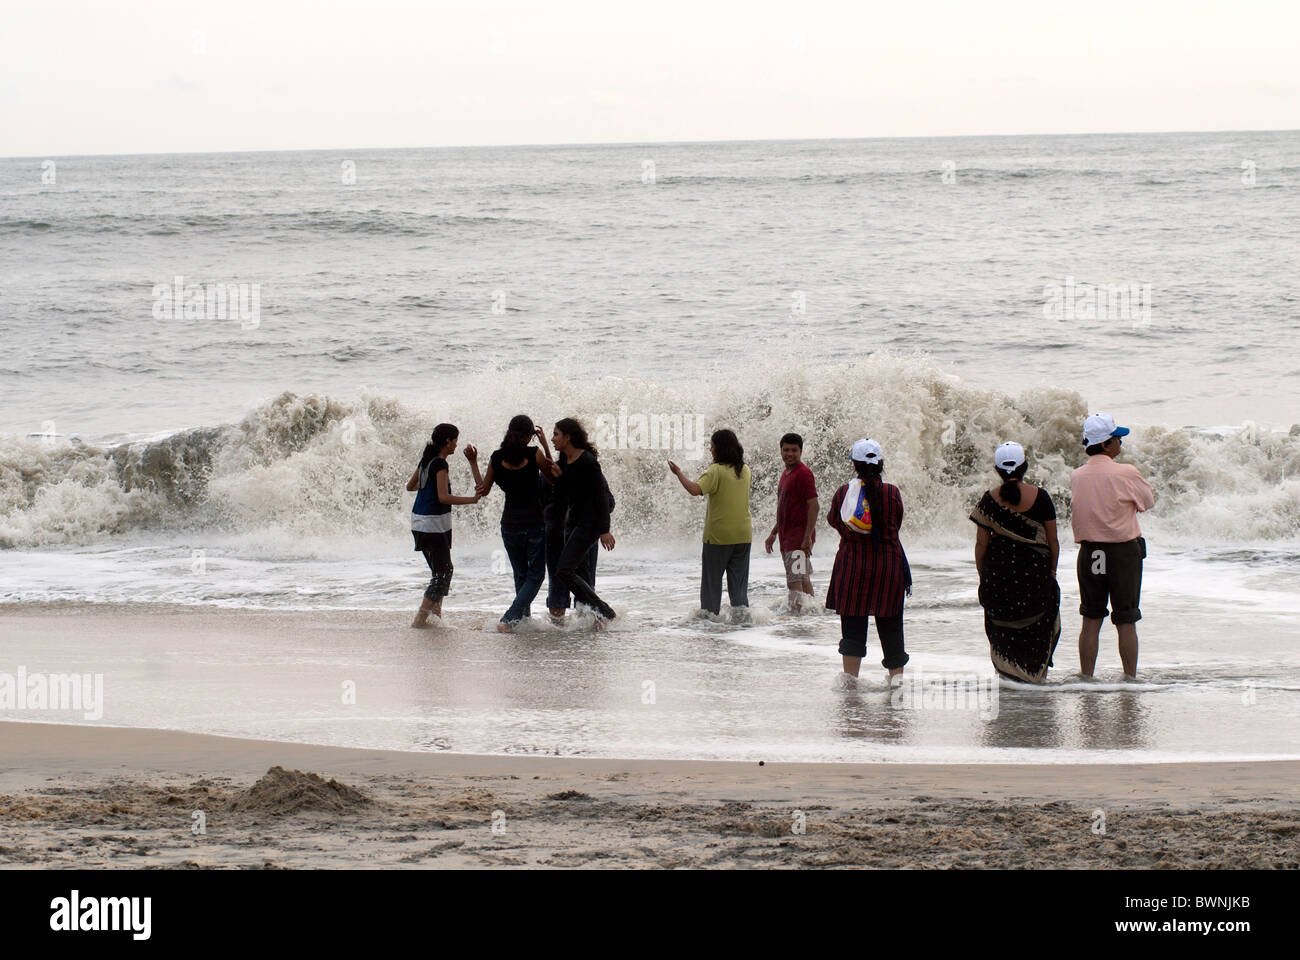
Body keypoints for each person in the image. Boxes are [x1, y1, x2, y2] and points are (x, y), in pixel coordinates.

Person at [1070, 413, 1155, 679]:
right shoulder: (1126, 472)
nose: (1120, 442)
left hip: (1090, 552)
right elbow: (1148, 501)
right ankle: (1130, 678)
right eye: (1117, 438)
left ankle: (1087, 677)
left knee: (1091, 620)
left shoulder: (1077, 476)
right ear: (1106, 444)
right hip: (1122, 552)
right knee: (1126, 620)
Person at [969, 441, 1061, 683]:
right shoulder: (1041, 497)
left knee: (1002, 629)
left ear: (997, 470)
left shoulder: (988, 500)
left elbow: (981, 545)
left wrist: (984, 576)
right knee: (1042, 621)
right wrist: (1051, 572)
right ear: (1025, 466)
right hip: (1034, 578)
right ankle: (1036, 677)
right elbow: (1053, 541)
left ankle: (1007, 678)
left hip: (998, 577)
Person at [825, 439, 911, 686]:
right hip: (888, 568)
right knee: (891, 626)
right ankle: (897, 684)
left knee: (852, 627)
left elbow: (835, 522)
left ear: (854, 464)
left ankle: (850, 684)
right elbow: (896, 523)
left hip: (853, 567)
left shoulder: (844, 493)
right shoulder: (892, 493)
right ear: (881, 463)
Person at [475, 415, 554, 632]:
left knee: (520, 574)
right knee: (536, 575)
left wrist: (473, 462)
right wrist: (546, 446)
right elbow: (554, 477)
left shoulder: (496, 457)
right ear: (530, 436)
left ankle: (522, 620)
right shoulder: (533, 453)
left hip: (509, 525)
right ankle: (510, 618)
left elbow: (484, 490)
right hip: (534, 523)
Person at [669, 429, 752, 617]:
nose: (710, 450)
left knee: (711, 586)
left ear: (720, 449)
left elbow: (694, 490)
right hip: (743, 535)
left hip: (718, 537)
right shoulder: (745, 470)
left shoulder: (716, 471)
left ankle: (709, 626)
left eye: (712, 446)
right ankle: (743, 625)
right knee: (739, 588)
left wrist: (678, 473)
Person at [406, 423, 481, 628]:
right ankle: (419, 621)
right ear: (447, 441)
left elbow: (410, 486)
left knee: (439, 572)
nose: (456, 445)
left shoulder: (426, 461)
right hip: (433, 525)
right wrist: (471, 500)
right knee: (443, 573)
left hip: (420, 523)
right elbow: (443, 497)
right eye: (455, 440)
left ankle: (435, 617)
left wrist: (426, 487)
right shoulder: (439, 464)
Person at [548, 418, 617, 623]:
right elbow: (563, 498)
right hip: (574, 523)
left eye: (556, 434)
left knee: (564, 570)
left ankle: (605, 612)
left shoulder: (587, 461)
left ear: (568, 437)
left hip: (590, 525)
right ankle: (594, 619)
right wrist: (559, 478)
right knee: (582, 574)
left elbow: (601, 497)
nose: (553, 439)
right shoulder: (564, 463)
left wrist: (605, 530)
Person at [764, 432, 818, 611]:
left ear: (801, 451)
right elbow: (785, 508)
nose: (789, 453)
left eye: (794, 450)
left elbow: (814, 506)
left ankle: (796, 624)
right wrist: (774, 533)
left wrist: (807, 536)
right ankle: (813, 615)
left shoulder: (803, 474)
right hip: (789, 537)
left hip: (798, 539)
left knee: (794, 583)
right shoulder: (786, 473)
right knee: (802, 578)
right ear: (780, 451)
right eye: (786, 450)